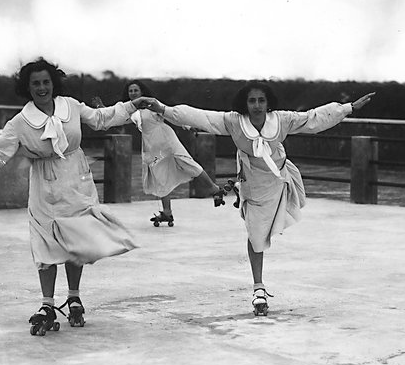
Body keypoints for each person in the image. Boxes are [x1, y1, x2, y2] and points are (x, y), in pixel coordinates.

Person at [138, 82, 375, 316]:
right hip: (252, 184)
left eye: (261, 100)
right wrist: (163, 109)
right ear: (245, 103)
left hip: (278, 179)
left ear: (268, 102)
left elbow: (312, 119)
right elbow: (200, 117)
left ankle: (260, 284)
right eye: (252, 100)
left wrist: (348, 108)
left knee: (266, 230)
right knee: (255, 235)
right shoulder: (233, 121)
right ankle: (258, 288)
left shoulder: (282, 120)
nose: (257, 105)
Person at [0, 58, 142, 336]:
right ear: (27, 88)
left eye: (45, 82)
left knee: (75, 240)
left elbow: (101, 119)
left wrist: (131, 106)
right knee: (46, 243)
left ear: (53, 83)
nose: (42, 88)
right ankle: (47, 303)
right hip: (45, 186)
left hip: (77, 180)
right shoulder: (20, 122)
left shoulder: (72, 106)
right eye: (35, 84)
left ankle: (74, 297)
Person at [120, 80, 226, 227]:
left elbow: (169, 113)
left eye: (135, 90)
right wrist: (101, 109)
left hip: (166, 139)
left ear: (141, 92)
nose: (133, 93)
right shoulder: (131, 110)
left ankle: (215, 189)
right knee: (159, 176)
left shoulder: (151, 104)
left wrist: (187, 125)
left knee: (186, 162)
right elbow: (120, 117)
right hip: (151, 145)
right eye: (130, 91)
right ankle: (167, 212)